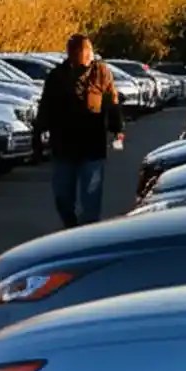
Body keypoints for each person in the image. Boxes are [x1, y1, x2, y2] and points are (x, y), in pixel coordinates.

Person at [33, 34, 125, 228]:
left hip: (92, 146)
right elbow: (46, 106)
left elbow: (112, 101)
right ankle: (70, 225)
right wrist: (38, 135)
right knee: (62, 196)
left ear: (90, 54)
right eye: (77, 53)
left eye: (85, 53)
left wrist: (117, 129)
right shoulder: (57, 76)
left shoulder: (101, 72)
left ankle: (86, 234)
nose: (82, 58)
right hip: (64, 146)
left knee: (91, 199)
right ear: (70, 54)